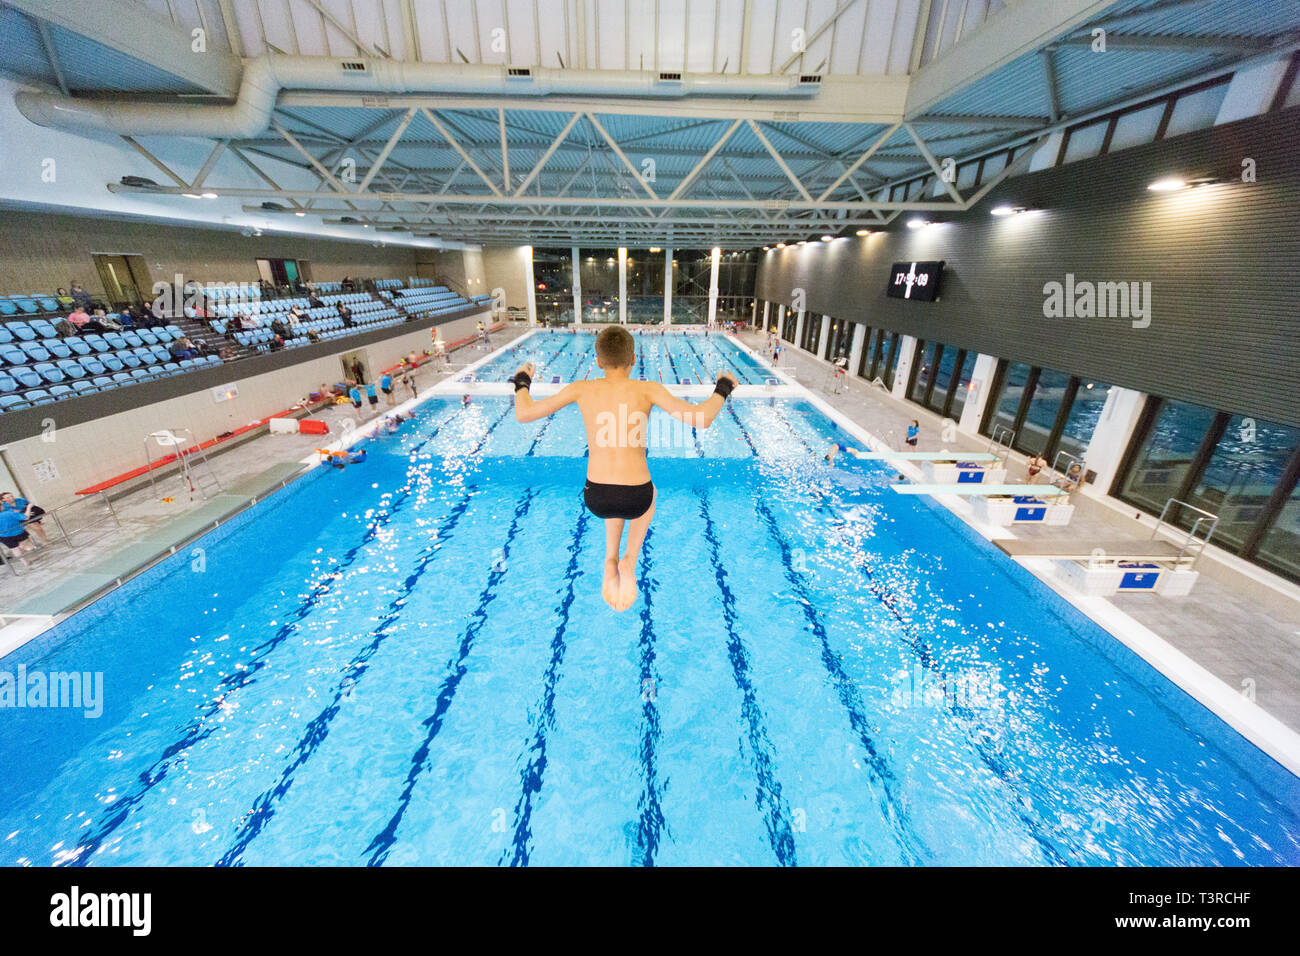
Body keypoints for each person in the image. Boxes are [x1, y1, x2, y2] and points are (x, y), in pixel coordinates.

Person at [512, 325, 737, 612]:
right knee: (650, 491)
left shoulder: (582, 388)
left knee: (612, 492)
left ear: (598, 361)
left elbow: (524, 413)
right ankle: (628, 560)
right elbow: (701, 418)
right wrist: (724, 386)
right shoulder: (648, 389)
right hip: (637, 499)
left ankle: (610, 560)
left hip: (596, 499)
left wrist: (522, 380)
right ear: (634, 360)